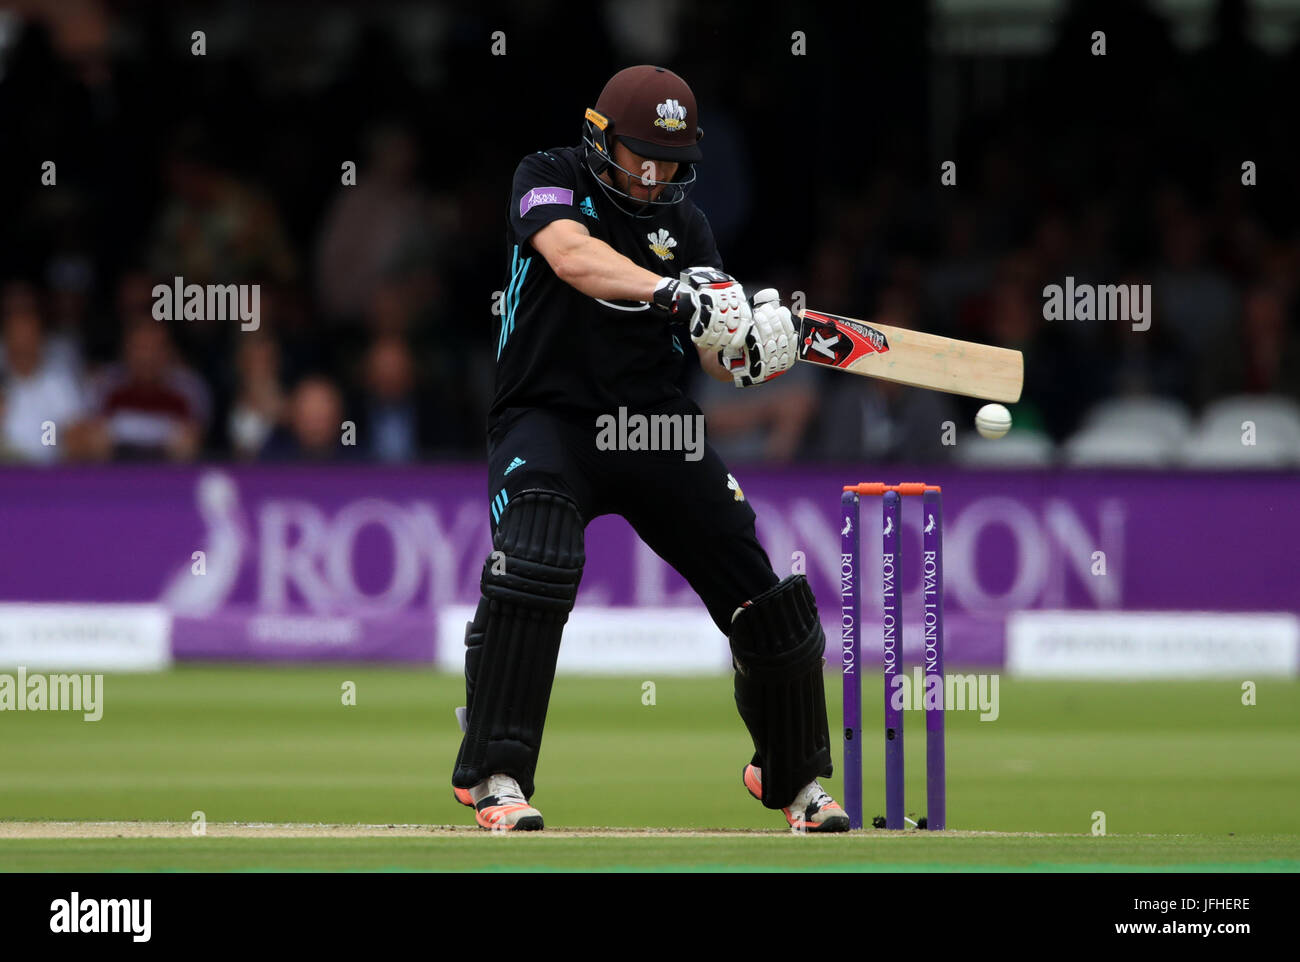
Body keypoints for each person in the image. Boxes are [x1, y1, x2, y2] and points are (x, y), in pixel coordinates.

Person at [450, 66, 847, 833]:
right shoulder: (548, 176)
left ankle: (796, 782)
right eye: (641, 155)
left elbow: (713, 352)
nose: (656, 173)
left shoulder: (689, 228)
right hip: (548, 418)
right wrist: (670, 291)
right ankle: (495, 775)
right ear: (602, 139)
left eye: (671, 161)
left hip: (653, 428)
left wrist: (752, 346)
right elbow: (570, 255)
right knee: (536, 556)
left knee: (763, 596)